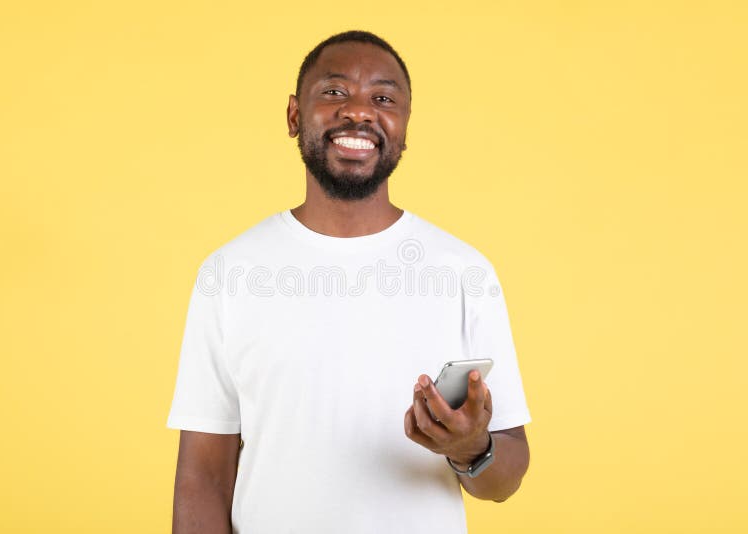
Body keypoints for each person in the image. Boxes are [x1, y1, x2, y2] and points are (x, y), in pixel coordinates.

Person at [167, 30, 531, 534]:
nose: (359, 112)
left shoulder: (465, 272)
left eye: (383, 98)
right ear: (295, 115)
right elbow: (203, 478)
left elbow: (506, 478)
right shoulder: (229, 273)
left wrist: (471, 448)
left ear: (403, 127)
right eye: (335, 92)